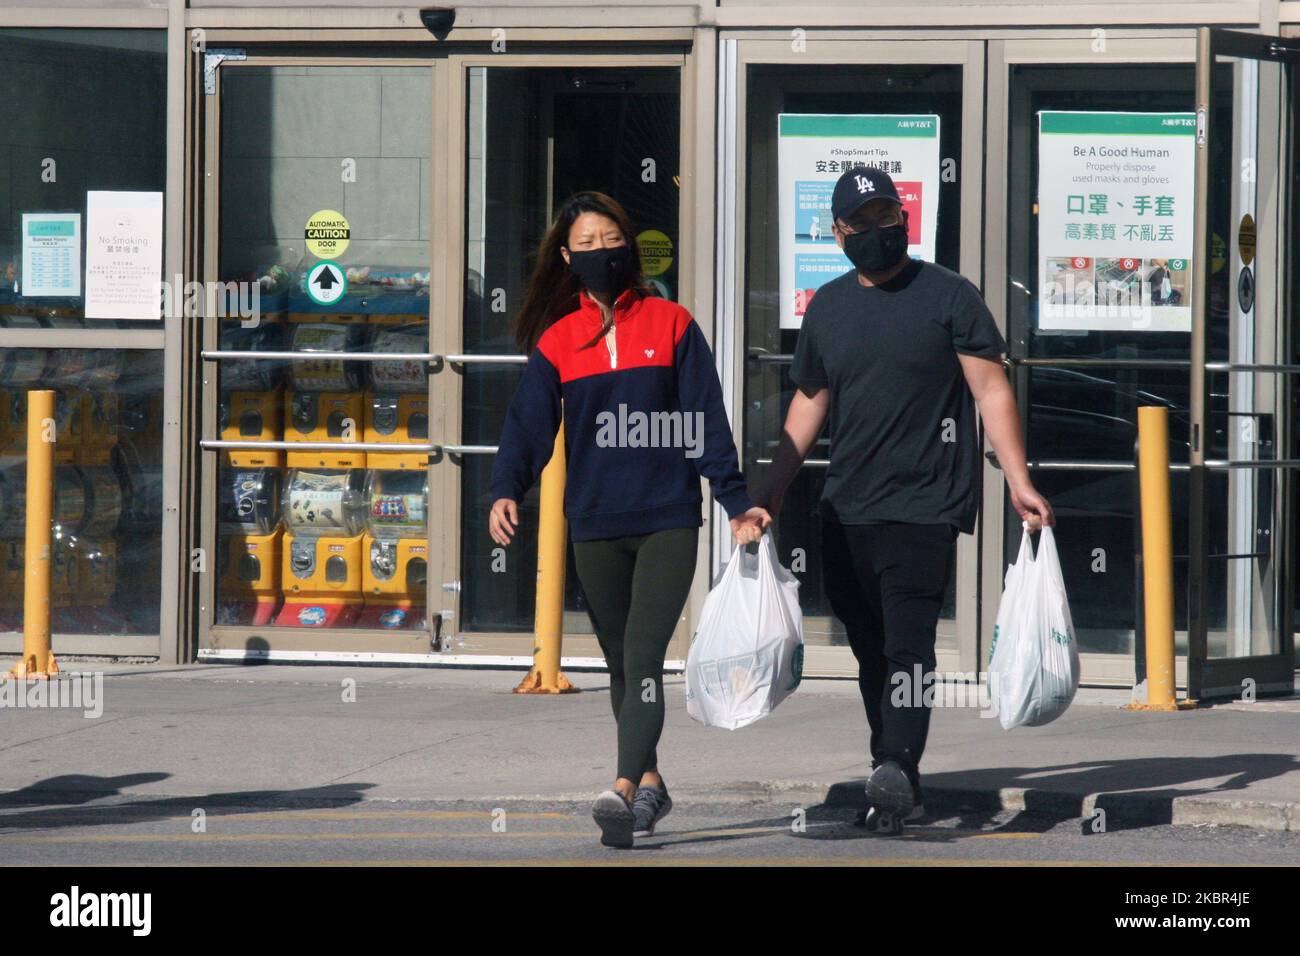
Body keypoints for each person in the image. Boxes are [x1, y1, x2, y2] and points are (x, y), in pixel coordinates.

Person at [755, 166, 1054, 831]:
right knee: (870, 647)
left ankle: (896, 761)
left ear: (904, 218)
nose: (876, 230)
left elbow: (990, 391)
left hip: (926, 505)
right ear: (839, 233)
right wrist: (770, 490)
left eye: (886, 216)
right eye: (860, 222)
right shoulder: (828, 306)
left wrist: (1018, 479)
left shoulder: (950, 296)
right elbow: (810, 402)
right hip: (846, 508)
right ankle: (892, 772)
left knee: (908, 645)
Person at [488, 190, 771, 848]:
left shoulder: (672, 324)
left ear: (629, 246)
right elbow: (528, 425)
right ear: (566, 257)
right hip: (593, 523)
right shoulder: (559, 340)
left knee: (643, 656)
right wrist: (506, 488)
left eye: (610, 240)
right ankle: (651, 784)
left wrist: (734, 500)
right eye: (586, 244)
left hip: (667, 518)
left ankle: (620, 789)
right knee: (620, 663)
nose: (600, 252)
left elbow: (704, 417)